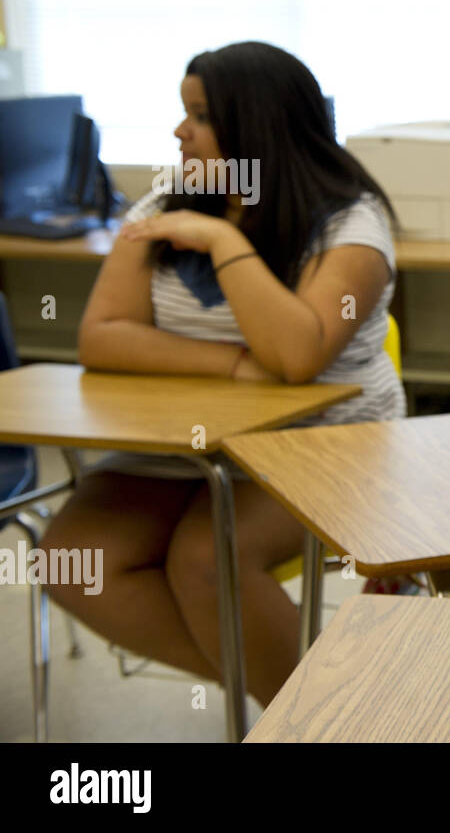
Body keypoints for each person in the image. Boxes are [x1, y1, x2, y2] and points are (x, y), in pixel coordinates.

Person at [38, 41, 404, 708]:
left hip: (327, 441)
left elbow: (297, 356)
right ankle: (313, 697)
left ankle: (320, 713)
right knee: (73, 559)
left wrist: (225, 241)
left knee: (205, 558)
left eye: (200, 116)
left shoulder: (352, 222)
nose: (180, 132)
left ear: (257, 126)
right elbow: (102, 335)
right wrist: (236, 365)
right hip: (189, 442)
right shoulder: (163, 205)